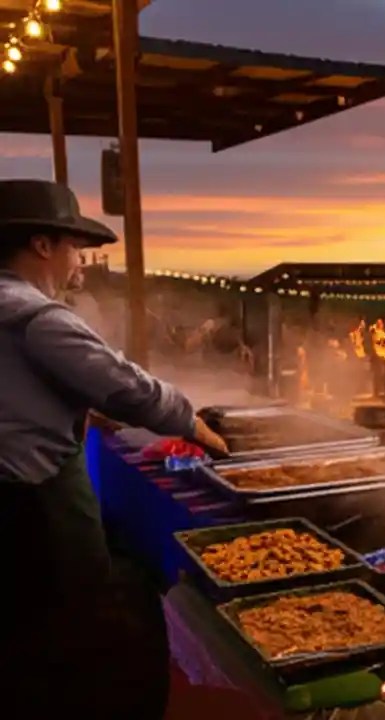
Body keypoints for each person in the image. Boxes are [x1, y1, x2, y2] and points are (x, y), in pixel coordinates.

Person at [0, 180, 228, 719]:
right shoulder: (36, 316)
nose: (79, 260)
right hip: (33, 503)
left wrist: (79, 407)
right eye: (72, 245)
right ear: (41, 246)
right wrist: (192, 423)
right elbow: (126, 386)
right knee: (67, 628)